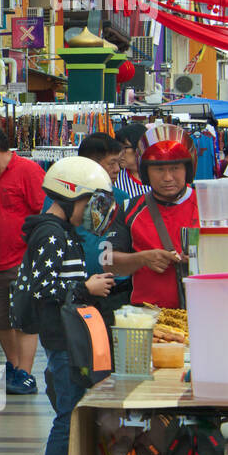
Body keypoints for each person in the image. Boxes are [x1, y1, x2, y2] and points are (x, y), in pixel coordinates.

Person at [20, 157, 117, 455]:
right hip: (61, 341)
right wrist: (84, 287)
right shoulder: (50, 234)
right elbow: (44, 289)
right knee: (68, 417)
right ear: (71, 196)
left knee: (74, 414)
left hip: (71, 339)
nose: (95, 211)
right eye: (92, 202)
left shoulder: (64, 234)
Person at [0, 121, 45, 395]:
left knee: (24, 320)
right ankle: (14, 367)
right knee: (1, 320)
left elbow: (43, 215)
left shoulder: (28, 171)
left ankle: (25, 372)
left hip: (22, 260)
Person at [103, 125, 198, 311]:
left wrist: (203, 259)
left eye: (175, 168)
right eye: (159, 169)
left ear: (188, 169)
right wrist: (142, 259)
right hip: (147, 316)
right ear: (145, 171)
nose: (168, 177)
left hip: (203, 313)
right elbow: (107, 262)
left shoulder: (208, 207)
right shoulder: (128, 208)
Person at [74, 134, 132, 318]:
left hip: (116, 291)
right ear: (92, 164)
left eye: (118, 163)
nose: (117, 169)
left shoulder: (122, 198)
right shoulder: (65, 198)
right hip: (78, 290)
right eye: (112, 163)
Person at [113, 122, 149, 202]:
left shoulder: (157, 177)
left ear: (140, 148)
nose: (120, 153)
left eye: (125, 147)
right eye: (118, 147)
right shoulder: (115, 179)